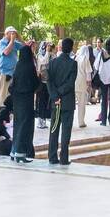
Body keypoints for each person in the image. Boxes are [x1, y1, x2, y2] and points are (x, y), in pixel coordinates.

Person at [47, 37, 78, 166]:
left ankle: (52, 156)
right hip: (67, 101)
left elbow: (49, 81)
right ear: (71, 48)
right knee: (66, 130)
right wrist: (60, 93)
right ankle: (64, 158)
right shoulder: (73, 64)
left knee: (54, 128)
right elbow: (70, 83)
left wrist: (55, 95)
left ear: (61, 47)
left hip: (56, 101)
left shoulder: (53, 62)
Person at [9, 43, 37, 163]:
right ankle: (20, 152)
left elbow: (12, 85)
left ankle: (13, 151)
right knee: (25, 126)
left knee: (17, 125)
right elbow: (35, 83)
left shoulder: (18, 66)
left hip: (17, 101)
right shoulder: (30, 67)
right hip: (27, 100)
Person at [0, 26, 24, 107]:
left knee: (10, 96)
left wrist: (20, 38)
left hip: (12, 73)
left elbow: (25, 47)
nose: (13, 35)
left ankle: (8, 116)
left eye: (14, 33)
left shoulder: (14, 43)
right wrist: (11, 40)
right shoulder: (2, 43)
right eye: (12, 33)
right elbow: (6, 52)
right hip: (4, 72)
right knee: (2, 95)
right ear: (6, 33)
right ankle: (0, 116)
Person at [75, 37, 93, 127]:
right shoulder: (85, 59)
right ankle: (81, 122)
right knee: (81, 104)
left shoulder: (76, 58)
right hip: (82, 84)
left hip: (74, 83)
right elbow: (88, 73)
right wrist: (89, 84)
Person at [36, 43, 54, 129]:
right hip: (41, 82)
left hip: (49, 81)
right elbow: (44, 62)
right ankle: (40, 120)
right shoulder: (39, 55)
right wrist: (47, 52)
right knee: (41, 102)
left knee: (47, 102)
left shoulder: (51, 54)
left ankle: (46, 118)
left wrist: (51, 52)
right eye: (47, 46)